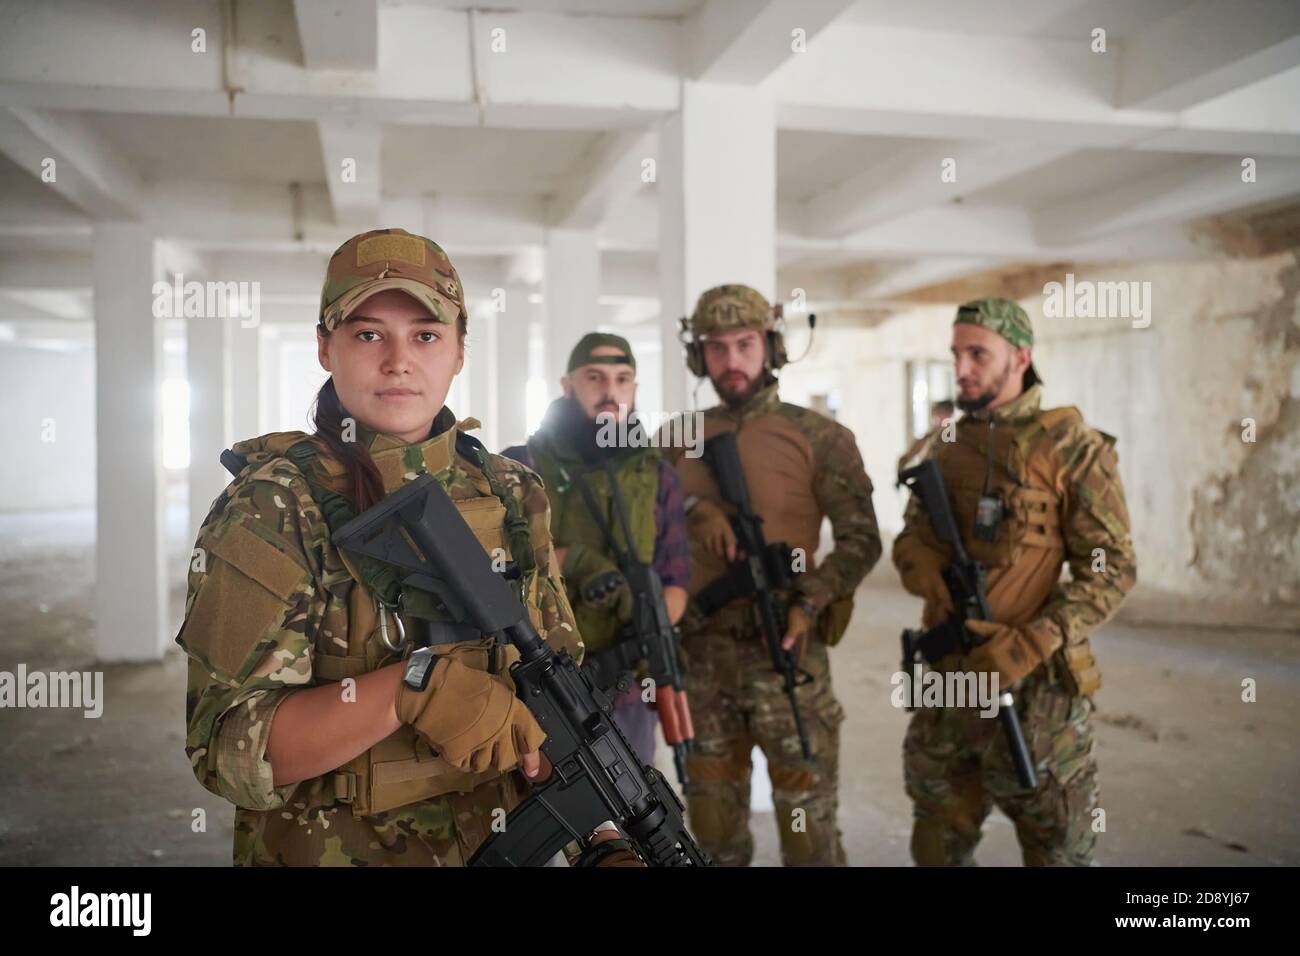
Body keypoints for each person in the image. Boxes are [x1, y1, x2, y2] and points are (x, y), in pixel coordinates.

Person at [176, 227, 632, 866]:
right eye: (368, 334)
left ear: (459, 352)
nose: (398, 360)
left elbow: (560, 697)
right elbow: (227, 751)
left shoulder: (510, 491)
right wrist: (409, 690)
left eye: (426, 334)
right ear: (324, 348)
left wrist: (604, 838)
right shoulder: (274, 504)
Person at [893, 297, 1137, 866]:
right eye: (956, 354)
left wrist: (1033, 640)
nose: (962, 368)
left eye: (978, 354)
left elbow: (1112, 566)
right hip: (949, 682)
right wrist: (921, 568)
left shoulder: (1073, 446)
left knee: (1057, 847)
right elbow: (909, 539)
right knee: (937, 842)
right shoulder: (944, 445)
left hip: (1034, 693)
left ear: (1021, 356)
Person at [663, 284, 882, 866]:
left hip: (788, 652)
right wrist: (694, 509)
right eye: (716, 348)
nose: (731, 361)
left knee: (809, 833)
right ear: (698, 356)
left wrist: (811, 599)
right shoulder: (673, 440)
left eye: (746, 343)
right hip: (702, 657)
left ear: (771, 345)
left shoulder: (822, 438)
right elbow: (642, 532)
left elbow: (862, 540)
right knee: (712, 833)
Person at [501, 333, 690, 769]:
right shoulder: (520, 464)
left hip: (626, 686)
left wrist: (644, 615)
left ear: (635, 390)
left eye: (623, 379)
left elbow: (676, 581)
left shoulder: (658, 476)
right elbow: (499, 567)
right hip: (536, 679)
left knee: (632, 813)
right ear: (567, 386)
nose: (610, 391)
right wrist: (577, 563)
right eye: (595, 377)